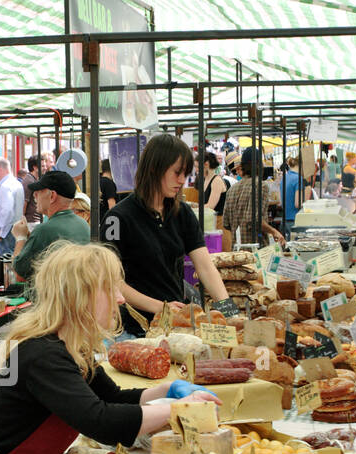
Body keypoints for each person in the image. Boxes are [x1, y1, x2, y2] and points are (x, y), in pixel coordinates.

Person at [0, 243, 219, 454]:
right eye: (109, 288)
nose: (121, 299)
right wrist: (176, 410)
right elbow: (101, 422)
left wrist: (167, 390)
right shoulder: (42, 355)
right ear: (79, 296)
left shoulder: (71, 348)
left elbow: (111, 398)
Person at [105, 133, 232, 335]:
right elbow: (111, 281)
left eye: (186, 174)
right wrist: (160, 307)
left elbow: (206, 267)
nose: (182, 180)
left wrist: (229, 312)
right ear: (155, 168)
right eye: (176, 173)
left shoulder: (183, 213)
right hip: (135, 329)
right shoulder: (118, 218)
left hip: (177, 326)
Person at [13, 170, 90, 284]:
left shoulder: (44, 230)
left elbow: (20, 276)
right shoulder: (83, 225)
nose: (35, 195)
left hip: (54, 298)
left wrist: (21, 238)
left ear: (52, 196)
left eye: (39, 191)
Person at [222, 146, 287, 249]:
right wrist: (274, 231)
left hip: (237, 250)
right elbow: (255, 220)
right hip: (256, 250)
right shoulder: (260, 186)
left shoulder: (231, 190)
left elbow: (226, 223)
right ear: (259, 165)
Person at [0, 157, 26, 256]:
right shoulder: (17, 183)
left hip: (6, 230)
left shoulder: (6, 186)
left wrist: (1, 232)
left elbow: (7, 210)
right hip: (13, 227)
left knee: (4, 261)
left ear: (0, 169)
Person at [203, 151, 229, 220]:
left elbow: (210, 206)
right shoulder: (205, 180)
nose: (196, 170)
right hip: (210, 221)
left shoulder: (216, 181)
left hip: (218, 223)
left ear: (206, 164)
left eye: (197, 167)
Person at [280, 156, 303, 231]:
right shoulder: (298, 179)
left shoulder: (284, 177)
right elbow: (297, 204)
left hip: (284, 221)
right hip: (294, 221)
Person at [20, 154, 41, 224]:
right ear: (35, 167)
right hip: (31, 222)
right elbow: (24, 203)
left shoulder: (35, 179)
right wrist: (22, 221)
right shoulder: (29, 181)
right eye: (42, 166)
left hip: (35, 220)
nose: (45, 168)